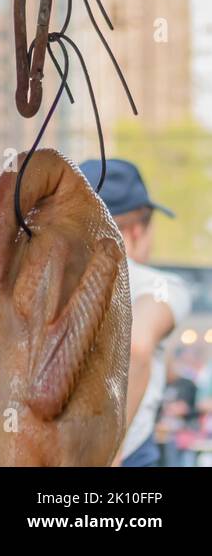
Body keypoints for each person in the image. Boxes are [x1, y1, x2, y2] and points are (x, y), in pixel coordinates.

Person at [79, 158, 192, 467]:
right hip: (126, 456)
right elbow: (137, 347)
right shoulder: (159, 285)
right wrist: (110, 453)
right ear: (137, 230)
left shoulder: (52, 285)